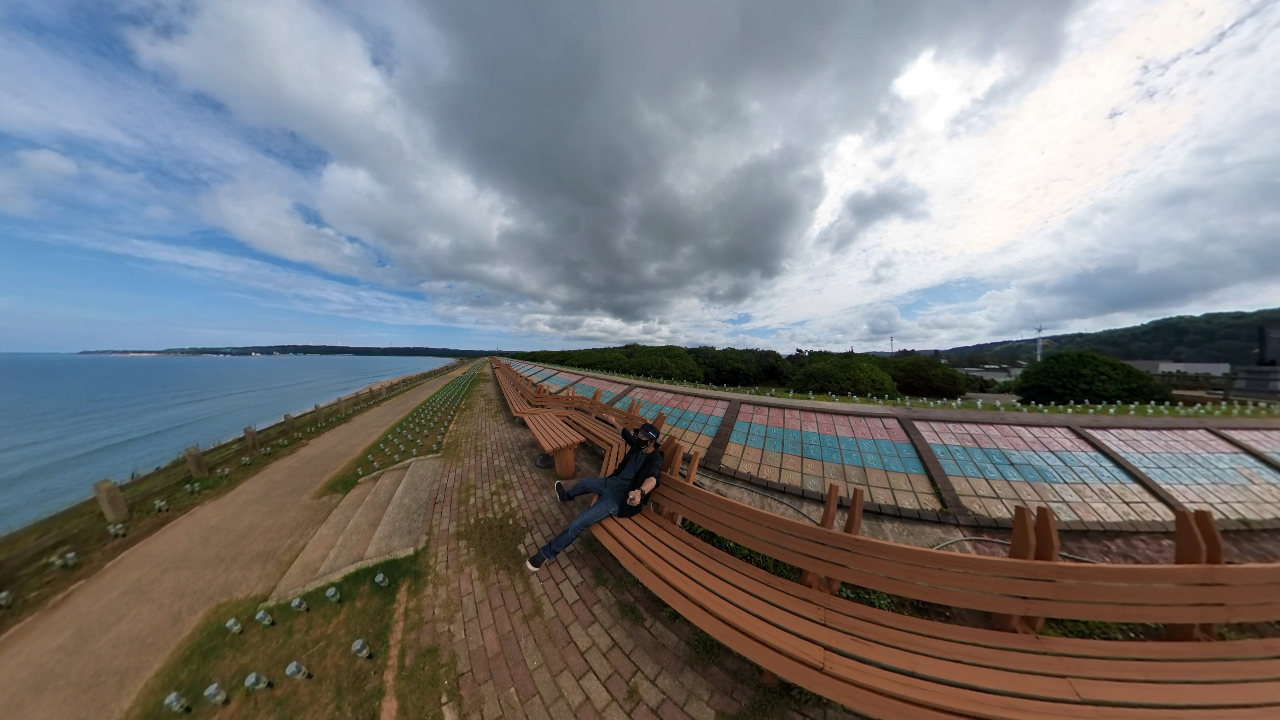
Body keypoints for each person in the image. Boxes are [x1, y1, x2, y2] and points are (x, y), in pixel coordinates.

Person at [526, 422, 664, 571]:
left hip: (616, 499)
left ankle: (545, 554)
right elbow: (626, 434)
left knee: (578, 523)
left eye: (642, 436)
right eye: (638, 435)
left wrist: (641, 492)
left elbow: (653, 478)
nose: (638, 438)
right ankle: (566, 496)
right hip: (609, 482)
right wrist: (613, 421)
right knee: (583, 483)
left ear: (651, 441)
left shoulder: (655, 459)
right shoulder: (639, 446)